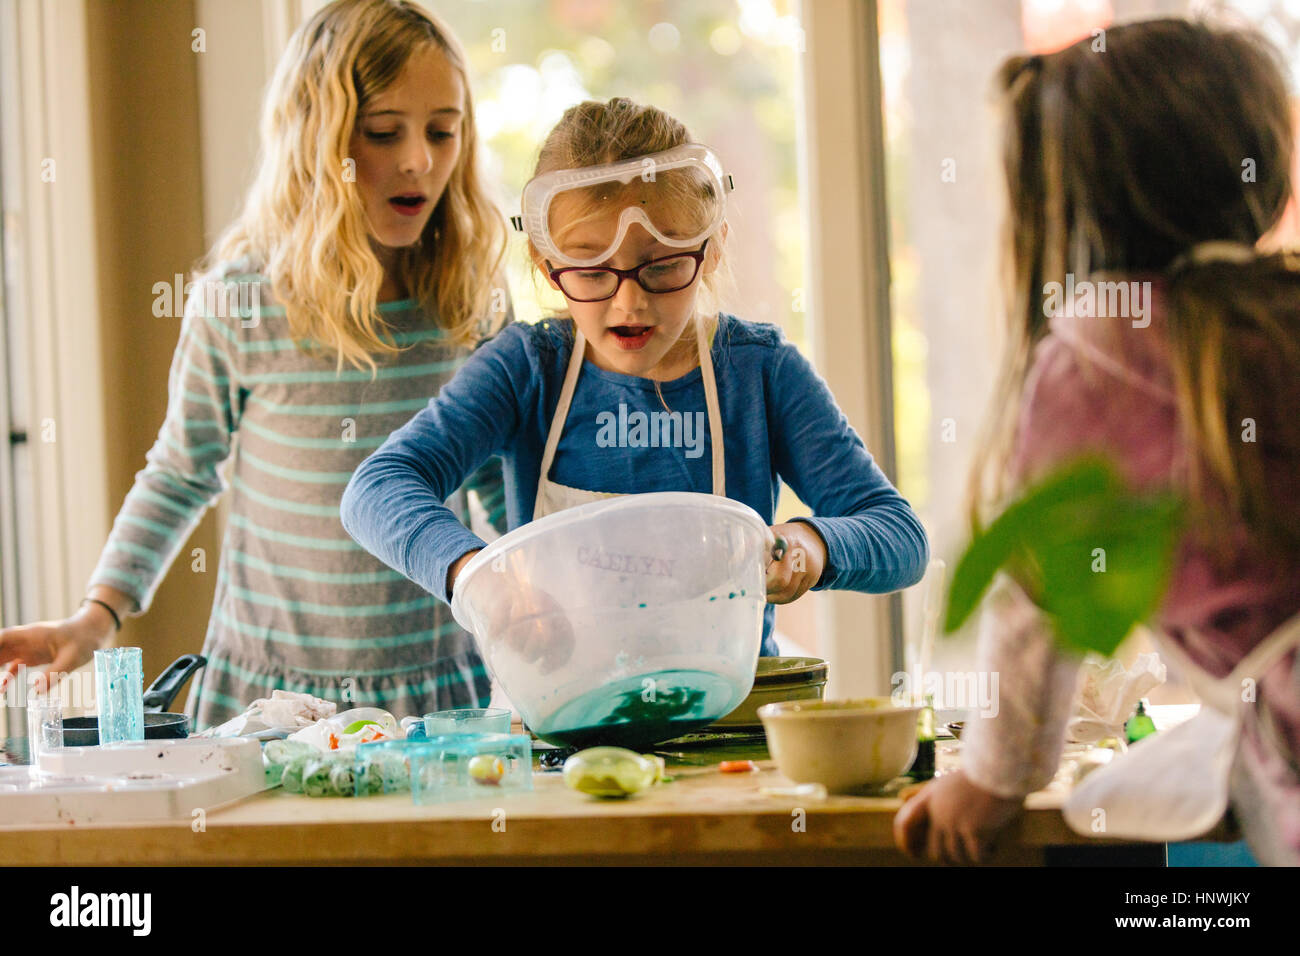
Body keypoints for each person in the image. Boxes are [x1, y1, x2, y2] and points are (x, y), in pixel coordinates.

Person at [0, 0, 511, 728]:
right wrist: (96, 617)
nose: (418, 160)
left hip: (438, 694)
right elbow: (180, 471)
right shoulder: (240, 301)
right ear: (318, 140)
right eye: (381, 131)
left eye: (443, 131)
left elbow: (499, 482)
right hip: (269, 700)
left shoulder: (472, 300)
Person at [894, 18, 1300, 865]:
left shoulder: (1096, 361)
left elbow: (1041, 606)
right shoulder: (1278, 317)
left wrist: (992, 778)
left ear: (1064, 200)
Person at [340, 96, 930, 665]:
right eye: (592, 270)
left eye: (663, 265)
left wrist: (809, 547)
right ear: (549, 270)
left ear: (711, 249)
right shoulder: (528, 368)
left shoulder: (761, 373)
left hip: (729, 737)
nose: (630, 303)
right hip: (561, 741)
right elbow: (378, 488)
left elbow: (901, 538)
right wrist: (477, 577)